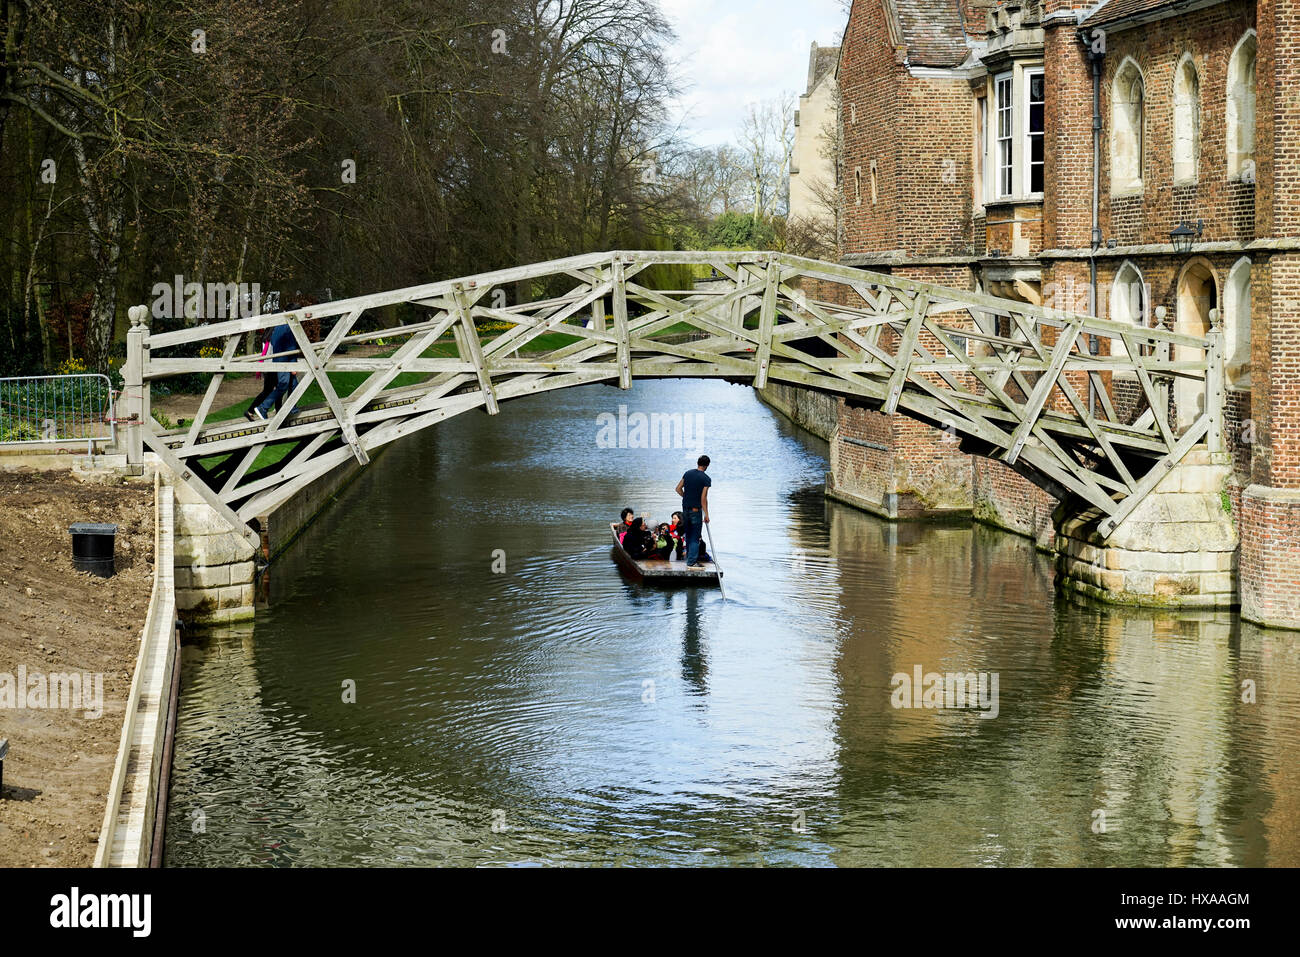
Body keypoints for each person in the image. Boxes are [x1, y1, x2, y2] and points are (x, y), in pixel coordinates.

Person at [252, 322, 300, 420]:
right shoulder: (288, 327)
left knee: (293, 383)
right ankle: (263, 408)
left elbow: (273, 342)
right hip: (283, 361)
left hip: (277, 360)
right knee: (283, 384)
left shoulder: (277, 327)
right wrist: (293, 364)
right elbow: (291, 347)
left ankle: (291, 407)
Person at [675, 454, 712, 566]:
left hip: (685, 510)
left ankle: (689, 559)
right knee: (695, 537)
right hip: (696, 511)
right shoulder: (706, 479)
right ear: (707, 466)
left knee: (689, 534)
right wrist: (706, 514)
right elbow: (703, 498)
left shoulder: (688, 473)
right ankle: (691, 562)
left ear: (698, 463)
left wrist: (686, 497)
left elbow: (678, 489)